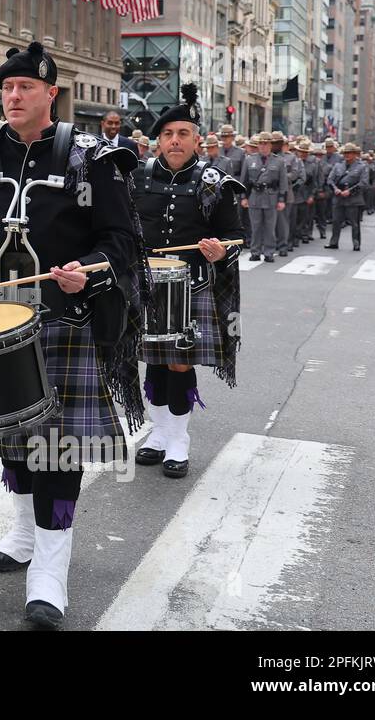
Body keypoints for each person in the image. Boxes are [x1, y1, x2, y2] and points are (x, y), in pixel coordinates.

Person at [0, 41, 146, 629]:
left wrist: (90, 271)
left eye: (26, 87)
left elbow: (122, 241)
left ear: (51, 94)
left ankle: (50, 571)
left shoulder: (91, 157)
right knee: (11, 440)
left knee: (58, 450)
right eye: (7, 87)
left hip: (62, 323)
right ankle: (25, 531)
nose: (14, 96)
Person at [131, 85, 243, 479]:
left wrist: (220, 253)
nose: (174, 141)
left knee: (178, 362)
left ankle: (179, 439)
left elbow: (236, 238)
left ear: (197, 139)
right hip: (144, 286)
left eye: (182, 134)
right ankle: (159, 433)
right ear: (157, 141)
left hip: (190, 286)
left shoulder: (216, 182)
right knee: (152, 362)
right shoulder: (135, 177)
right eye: (167, 135)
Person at [240, 133, 287, 263]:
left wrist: (282, 199)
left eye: (266, 143)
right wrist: (244, 197)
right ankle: (255, 252)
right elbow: (244, 181)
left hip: (271, 197)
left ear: (271, 145)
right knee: (255, 227)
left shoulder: (279, 161)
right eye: (261, 143)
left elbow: (283, 182)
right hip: (254, 197)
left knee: (270, 228)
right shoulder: (250, 160)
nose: (263, 146)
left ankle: (269, 252)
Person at [325, 143, 368, 251]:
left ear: (355, 154)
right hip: (339, 197)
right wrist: (335, 189)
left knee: (354, 223)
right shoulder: (338, 166)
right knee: (336, 221)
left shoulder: (361, 166)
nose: (347, 155)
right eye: (345, 153)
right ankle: (334, 242)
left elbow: (363, 182)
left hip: (353, 199)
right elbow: (330, 180)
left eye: (349, 153)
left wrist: (350, 191)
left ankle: (356, 243)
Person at [271, 132, 301, 257]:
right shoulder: (268, 157)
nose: (275, 145)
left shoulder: (290, 158)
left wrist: (281, 177)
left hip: (285, 193)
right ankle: (270, 245)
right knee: (269, 222)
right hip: (269, 193)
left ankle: (283, 245)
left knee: (283, 222)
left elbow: (294, 174)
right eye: (273, 143)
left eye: (278, 143)